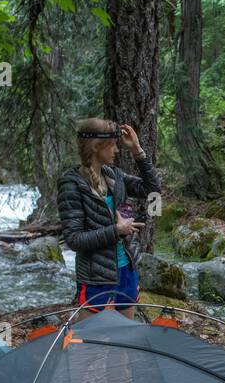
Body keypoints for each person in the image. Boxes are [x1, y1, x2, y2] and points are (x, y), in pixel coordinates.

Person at [58, 118, 161, 319]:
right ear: (97, 147)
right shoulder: (71, 185)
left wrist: (138, 151)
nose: (116, 150)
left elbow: (153, 191)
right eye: (112, 145)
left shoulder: (115, 176)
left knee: (125, 339)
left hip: (126, 270)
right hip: (96, 277)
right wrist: (117, 231)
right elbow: (74, 240)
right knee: (90, 342)